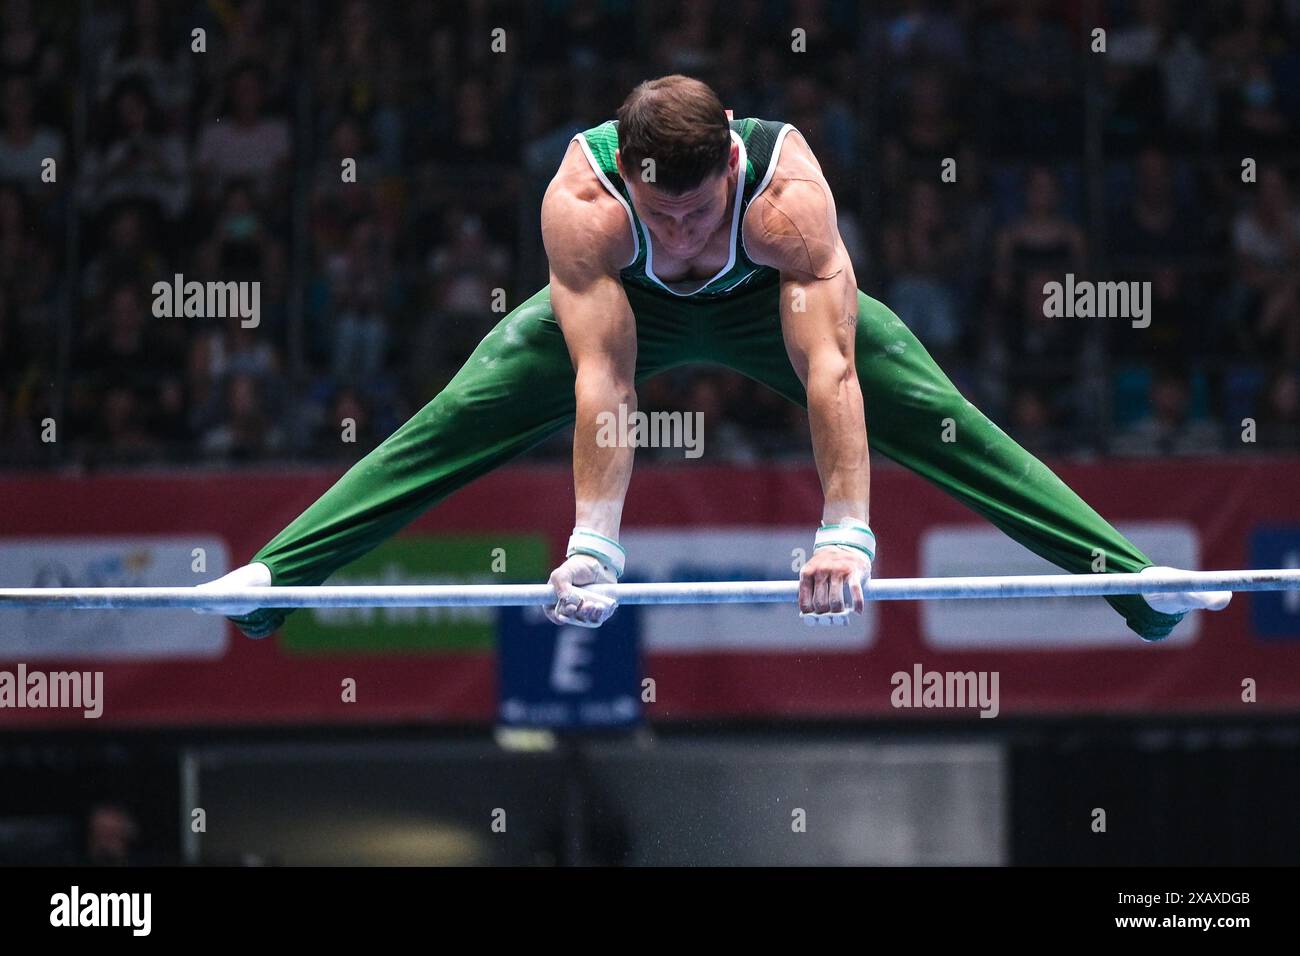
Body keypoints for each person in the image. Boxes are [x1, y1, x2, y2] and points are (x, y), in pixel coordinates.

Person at [202, 75, 1228, 639]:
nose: (683, 231)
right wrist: (594, 544)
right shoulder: (587, 207)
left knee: (946, 420)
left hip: (766, 306)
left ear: (732, 163)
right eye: (661, 211)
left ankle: (1133, 581)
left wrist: (847, 531)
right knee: (455, 419)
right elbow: (604, 381)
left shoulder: (786, 200)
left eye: (696, 211)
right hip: (623, 306)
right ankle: (277, 580)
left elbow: (827, 371)